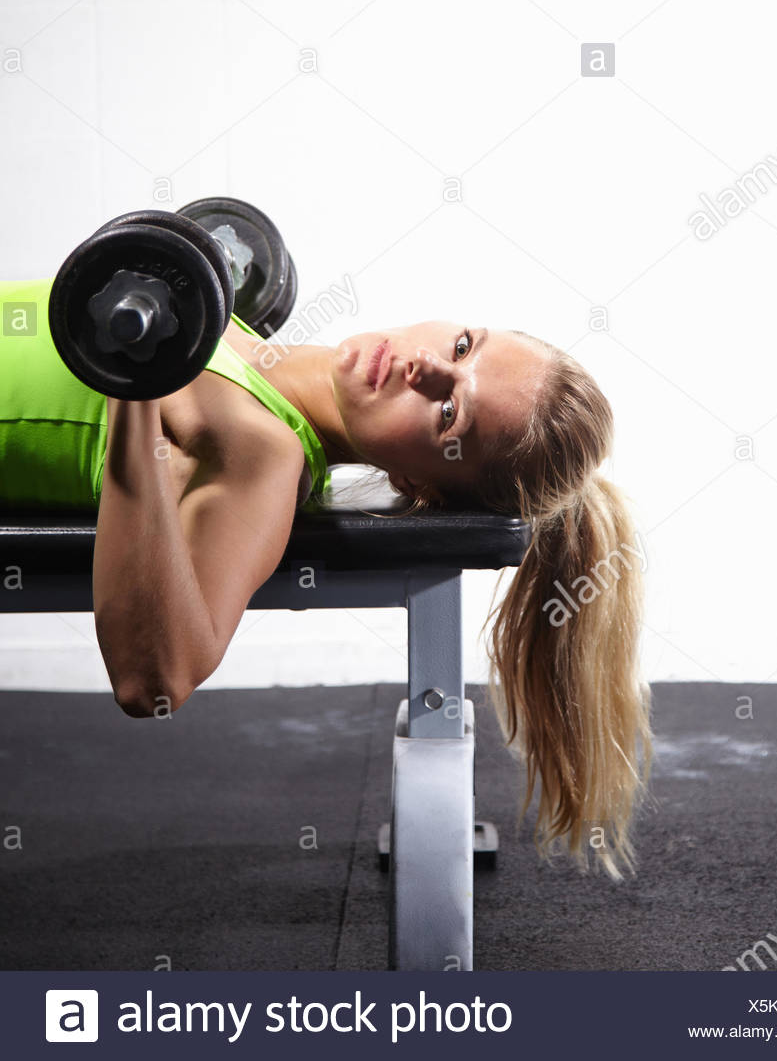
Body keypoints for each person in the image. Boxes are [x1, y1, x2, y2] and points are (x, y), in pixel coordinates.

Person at [0, 280, 652, 882]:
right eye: (461, 345)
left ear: (418, 483)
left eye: (448, 412)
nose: (422, 369)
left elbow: (153, 679)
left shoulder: (261, 450)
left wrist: (132, 385)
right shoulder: (226, 320)